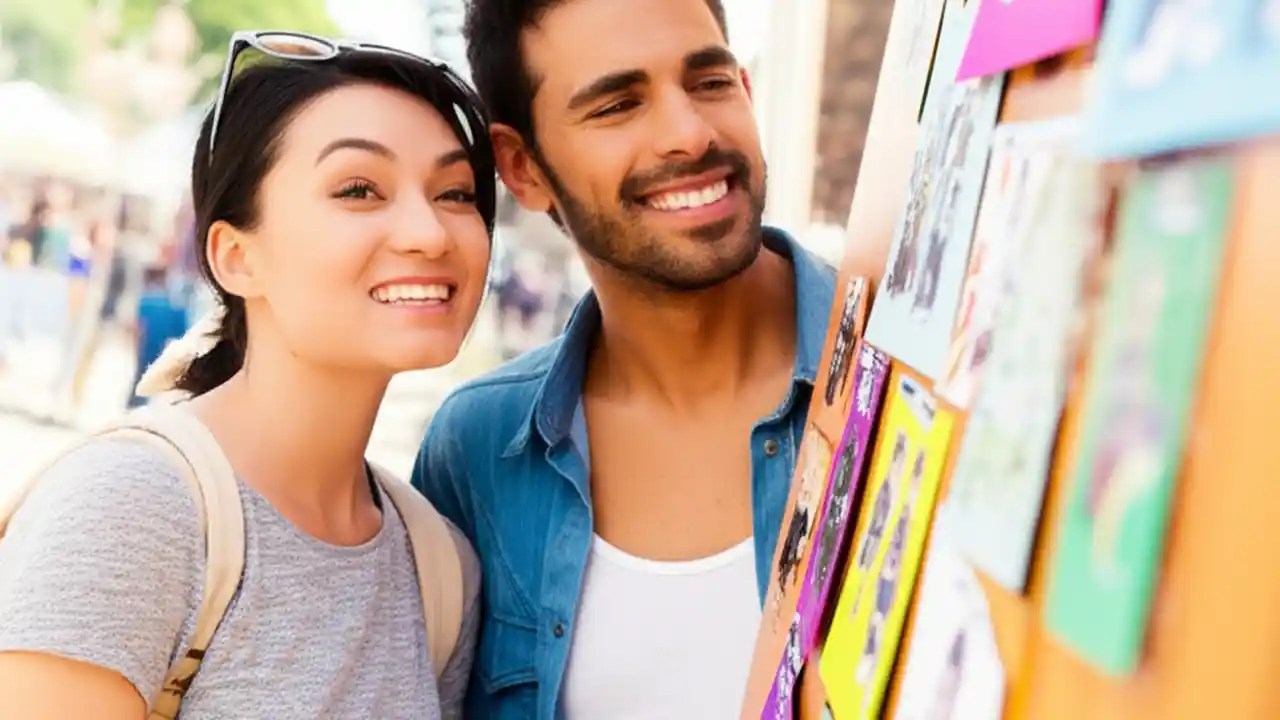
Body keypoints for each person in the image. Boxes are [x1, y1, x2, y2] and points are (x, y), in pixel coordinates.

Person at [0, 32, 495, 719]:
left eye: (456, 192)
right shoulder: (135, 511)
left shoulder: (441, 572)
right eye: (359, 189)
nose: (430, 233)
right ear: (234, 256)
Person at [412, 0, 836, 716]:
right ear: (523, 168)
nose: (689, 133)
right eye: (617, 105)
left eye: (709, 83)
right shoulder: (476, 453)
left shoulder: (909, 371)